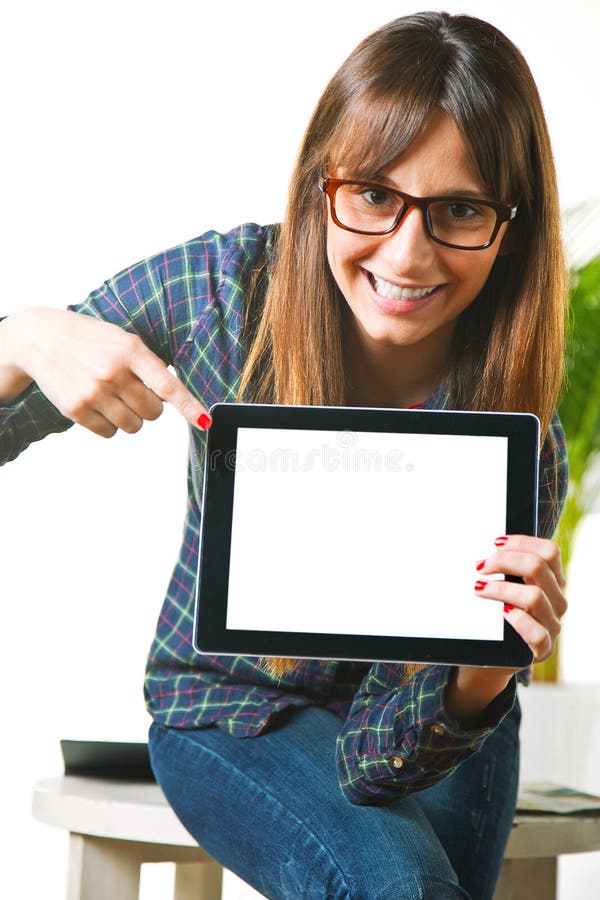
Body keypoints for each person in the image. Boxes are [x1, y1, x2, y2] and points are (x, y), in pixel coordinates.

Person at [0, 11, 569, 900]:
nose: (408, 254)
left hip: (431, 726)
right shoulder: (220, 293)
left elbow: (384, 761)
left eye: (460, 209)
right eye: (375, 196)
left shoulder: (517, 436)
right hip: (229, 710)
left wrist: (481, 676)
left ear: (510, 228)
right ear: (321, 186)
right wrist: (22, 338)